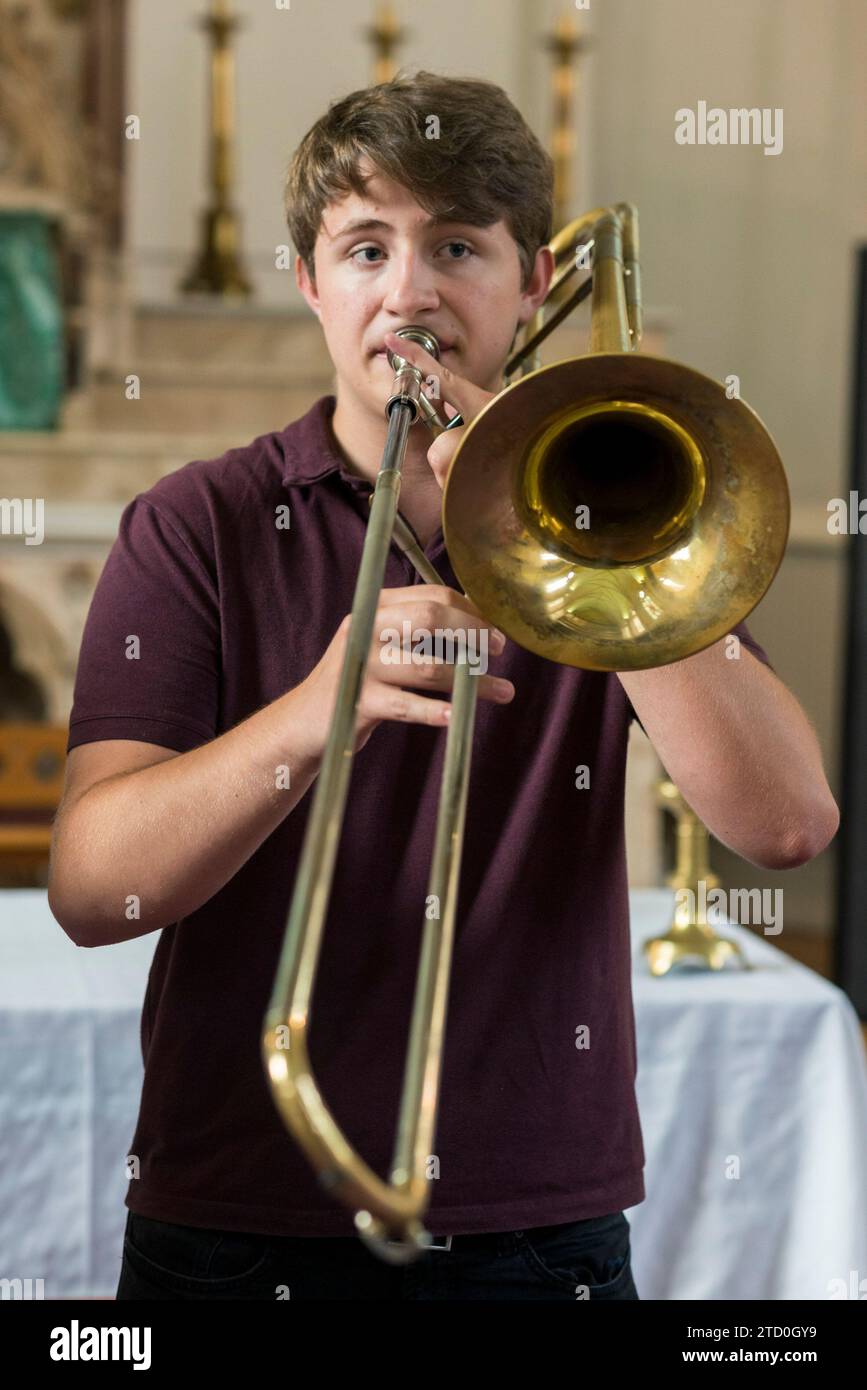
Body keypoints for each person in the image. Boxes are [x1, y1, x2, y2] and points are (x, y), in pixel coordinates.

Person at [48, 72, 839, 1302]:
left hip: (543, 1228)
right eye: (366, 248)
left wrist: (597, 540)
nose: (409, 291)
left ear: (533, 286)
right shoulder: (194, 524)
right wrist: (319, 708)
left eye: (457, 246)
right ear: (310, 284)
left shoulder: (615, 511)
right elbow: (97, 889)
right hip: (233, 1216)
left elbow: (786, 822)